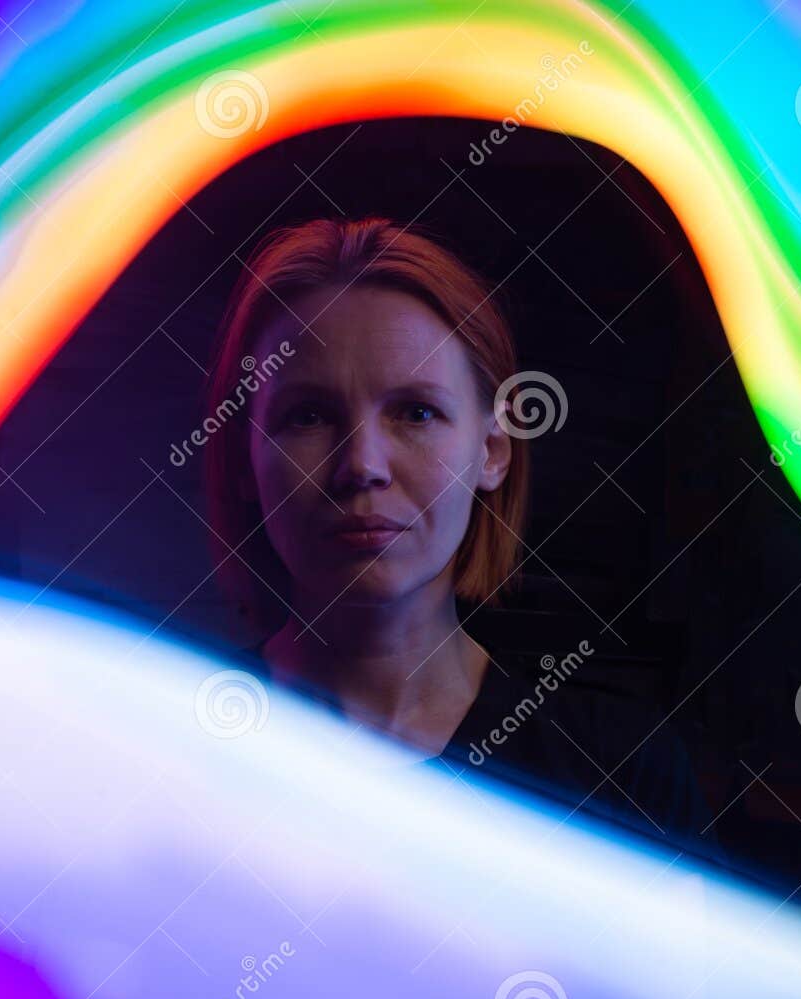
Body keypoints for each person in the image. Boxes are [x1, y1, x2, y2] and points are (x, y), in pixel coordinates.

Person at [202, 216, 716, 852]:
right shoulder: (154, 754)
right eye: (307, 415)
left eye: (417, 413)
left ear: (493, 451)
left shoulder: (621, 778)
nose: (362, 464)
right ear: (243, 457)